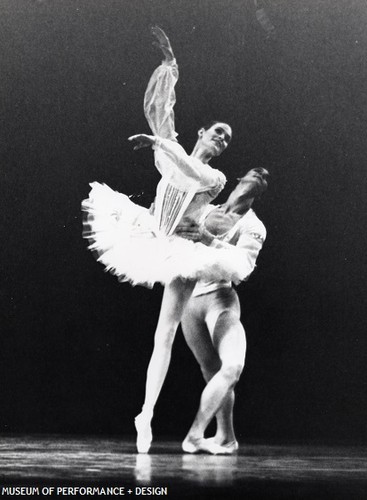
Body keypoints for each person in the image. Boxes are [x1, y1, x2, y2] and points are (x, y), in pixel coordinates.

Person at [82, 27, 254, 454]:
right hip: (151, 233)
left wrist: (161, 142)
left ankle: (146, 416)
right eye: (217, 131)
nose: (221, 140)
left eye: (227, 139)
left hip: (179, 250)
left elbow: (188, 169)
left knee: (167, 334)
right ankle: (145, 414)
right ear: (202, 131)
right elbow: (160, 112)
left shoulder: (214, 178)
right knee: (162, 337)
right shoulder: (172, 149)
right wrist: (170, 66)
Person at [176, 167, 269, 455]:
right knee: (212, 371)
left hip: (221, 299)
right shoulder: (204, 209)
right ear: (240, 179)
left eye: (265, 177)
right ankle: (226, 438)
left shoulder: (253, 226)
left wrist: (207, 238)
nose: (261, 174)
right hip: (190, 302)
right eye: (255, 172)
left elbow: (243, 266)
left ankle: (194, 435)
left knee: (232, 367)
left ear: (260, 191)